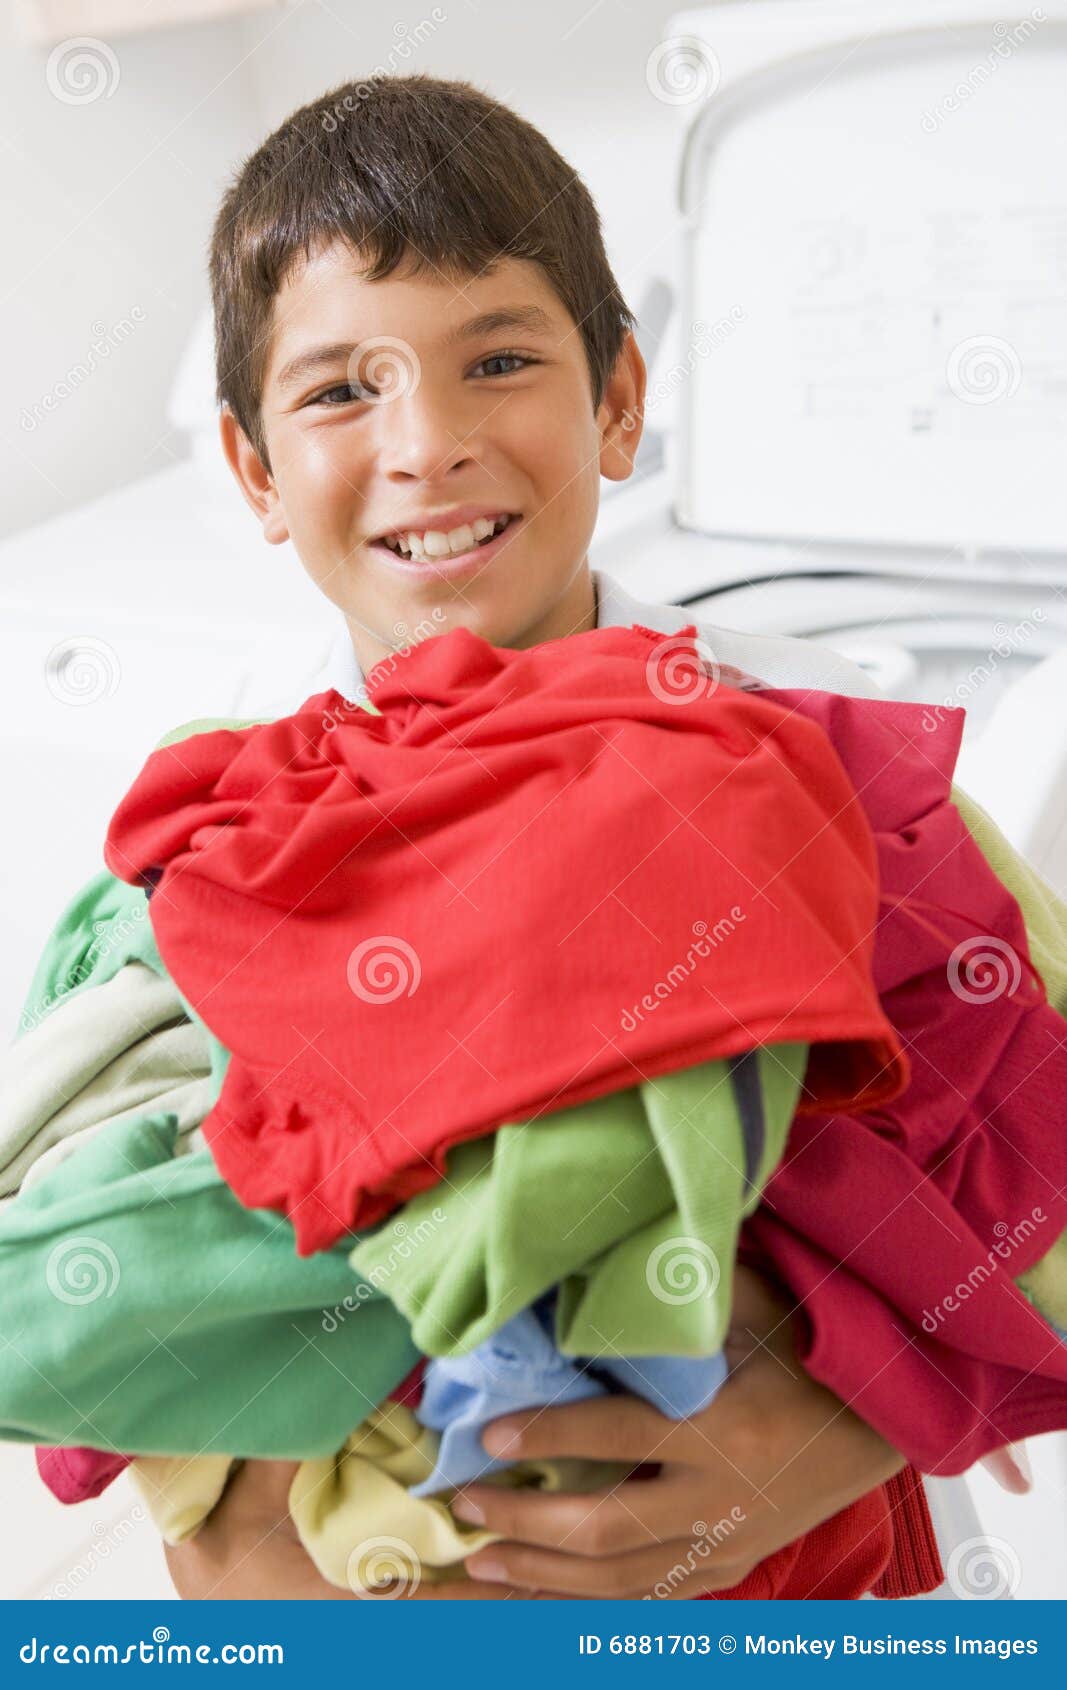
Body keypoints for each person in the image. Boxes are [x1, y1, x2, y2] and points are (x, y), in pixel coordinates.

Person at [161, 71, 1012, 1599]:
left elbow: (1027, 1206)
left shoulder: (830, 787)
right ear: (254, 472)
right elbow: (152, 1372)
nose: (427, 443)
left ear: (617, 402)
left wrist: (846, 1427)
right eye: (342, 389)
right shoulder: (220, 851)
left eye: (497, 359)